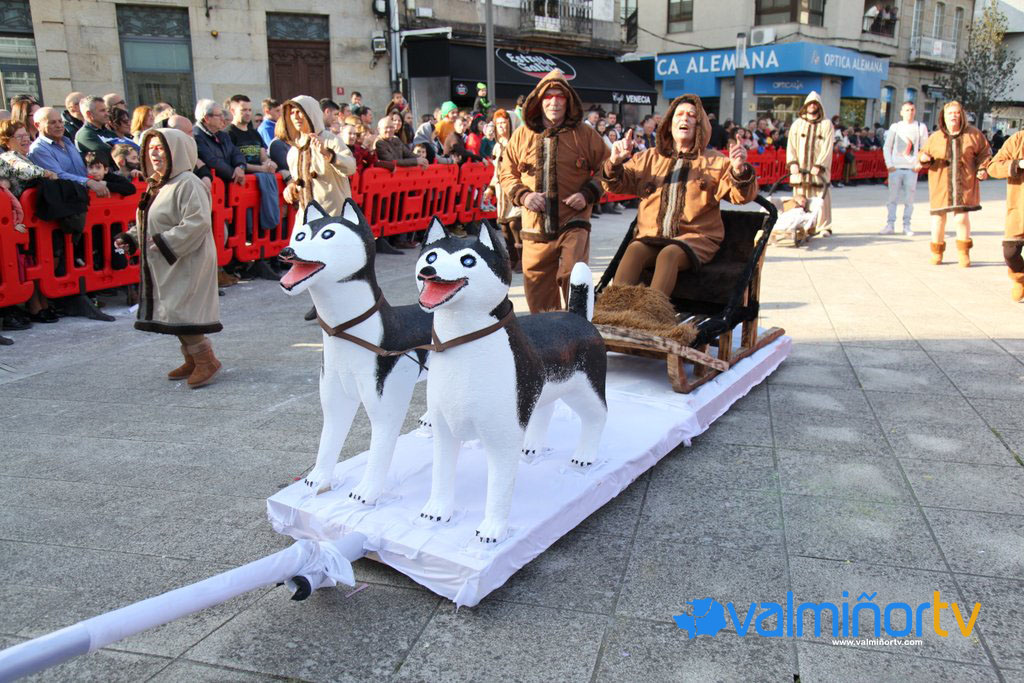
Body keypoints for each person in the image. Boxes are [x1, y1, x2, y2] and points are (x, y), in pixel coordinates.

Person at [601, 95, 757, 296]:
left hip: (695, 238)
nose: (685, 119)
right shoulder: (649, 157)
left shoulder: (716, 162)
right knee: (634, 250)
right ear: (669, 123)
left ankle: (652, 313)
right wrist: (614, 161)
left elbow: (741, 196)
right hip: (652, 236)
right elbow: (616, 184)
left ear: (700, 124)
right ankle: (611, 311)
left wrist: (738, 171)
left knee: (669, 254)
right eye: (679, 114)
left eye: (691, 115)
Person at [114, 128, 222, 388]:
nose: (154, 153)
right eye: (150, 147)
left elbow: (197, 223)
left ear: (177, 151)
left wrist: (166, 241)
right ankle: (193, 359)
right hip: (167, 260)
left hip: (186, 260)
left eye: (160, 147)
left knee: (182, 311)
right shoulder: (159, 183)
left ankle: (206, 360)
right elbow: (151, 221)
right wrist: (131, 237)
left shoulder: (188, 183)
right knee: (174, 312)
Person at [497, 69, 610, 312]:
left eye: (560, 97)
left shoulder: (585, 133)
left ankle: (578, 332)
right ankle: (551, 340)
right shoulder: (522, 134)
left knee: (572, 275)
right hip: (535, 226)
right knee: (537, 288)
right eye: (548, 97)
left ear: (568, 101)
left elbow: (607, 168)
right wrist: (524, 195)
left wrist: (588, 194)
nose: (554, 102)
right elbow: (506, 172)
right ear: (539, 101)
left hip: (574, 220)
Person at [0, 119, 60, 324]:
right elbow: (26, 171)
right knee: (27, 262)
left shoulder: (25, 156)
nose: (26, 140)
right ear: (7, 141)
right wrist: (47, 173)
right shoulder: (10, 157)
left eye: (27, 135)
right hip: (18, 223)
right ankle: (34, 306)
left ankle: (43, 301)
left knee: (38, 260)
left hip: (32, 221)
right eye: (20, 137)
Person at [919, 101, 991, 267]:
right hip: (940, 183)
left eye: (956, 112)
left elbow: (984, 153)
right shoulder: (935, 137)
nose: (953, 116)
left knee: (961, 217)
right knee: (938, 218)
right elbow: (924, 153)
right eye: (950, 113)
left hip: (963, 183)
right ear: (944, 116)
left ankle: (963, 252)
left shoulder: (974, 134)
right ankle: (936, 252)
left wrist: (983, 168)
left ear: (962, 115)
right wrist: (923, 159)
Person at [279, 95, 357, 216]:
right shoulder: (293, 152)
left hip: (333, 217)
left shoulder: (331, 140)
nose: (295, 117)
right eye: (292, 113)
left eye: (299, 112)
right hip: (306, 218)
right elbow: (299, 180)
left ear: (311, 113)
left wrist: (328, 154)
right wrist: (292, 187)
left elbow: (351, 167)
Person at [28, 107, 109, 197]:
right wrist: (88, 182)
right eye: (52, 122)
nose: (59, 125)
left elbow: (81, 170)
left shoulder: (67, 141)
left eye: (60, 121)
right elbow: (57, 176)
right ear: (37, 125)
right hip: (65, 202)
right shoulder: (38, 149)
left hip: (83, 198)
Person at [786, 91, 835, 236]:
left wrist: (819, 165)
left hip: (817, 171)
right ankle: (802, 225)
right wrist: (792, 163)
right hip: (800, 170)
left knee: (821, 197)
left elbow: (827, 147)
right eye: (809, 103)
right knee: (800, 198)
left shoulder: (826, 125)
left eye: (815, 103)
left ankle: (823, 226)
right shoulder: (797, 124)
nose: (812, 106)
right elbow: (791, 145)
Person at [985, 129, 1024, 300]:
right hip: (1019, 208)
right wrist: (1017, 165)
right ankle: (1020, 278)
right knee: (1010, 253)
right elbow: (993, 167)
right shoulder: (1019, 139)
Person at [881, 101, 928, 235]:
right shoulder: (895, 127)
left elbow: (925, 148)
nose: (910, 112)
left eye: (912, 110)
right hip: (896, 168)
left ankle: (907, 225)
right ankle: (890, 224)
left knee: (909, 199)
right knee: (892, 198)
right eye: (907, 110)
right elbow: (887, 146)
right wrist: (889, 164)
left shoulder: (920, 127)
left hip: (911, 169)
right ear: (901, 112)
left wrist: (920, 164)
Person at [486, 108, 522, 271]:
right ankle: (512, 258)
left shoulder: (517, 144)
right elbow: (496, 171)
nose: (501, 127)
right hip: (501, 192)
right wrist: (490, 188)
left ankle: (522, 258)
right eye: (498, 123)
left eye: (504, 123)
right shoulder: (497, 147)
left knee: (515, 223)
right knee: (505, 227)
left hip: (515, 187)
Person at [193, 98, 246, 187]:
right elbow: (212, 161)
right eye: (219, 115)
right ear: (207, 118)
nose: (223, 119)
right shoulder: (196, 136)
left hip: (229, 188)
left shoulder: (223, 135)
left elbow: (236, 153)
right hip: (215, 188)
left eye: (222, 114)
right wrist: (234, 174)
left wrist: (240, 167)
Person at [75, 95, 113, 162]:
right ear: (89, 114)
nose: (107, 114)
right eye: (102, 111)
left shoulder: (109, 132)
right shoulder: (85, 135)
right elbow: (108, 155)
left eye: (107, 110)